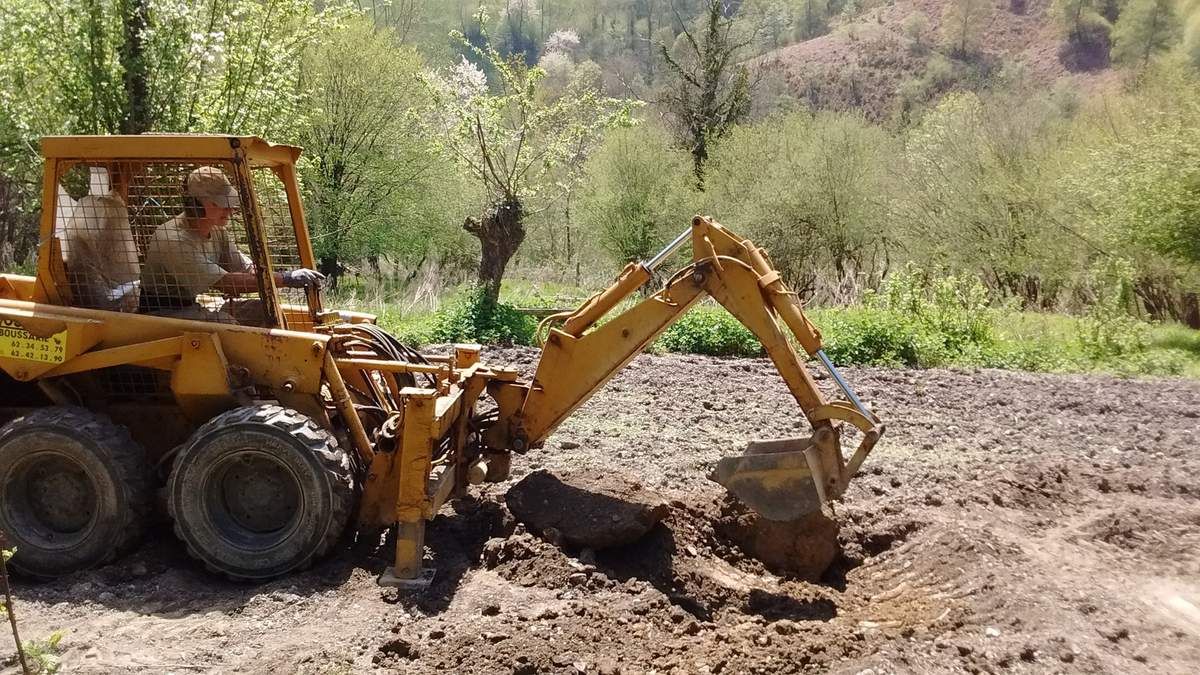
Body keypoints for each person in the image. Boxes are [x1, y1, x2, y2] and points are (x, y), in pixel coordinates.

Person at [140, 166, 323, 323]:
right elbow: (226, 284)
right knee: (226, 323)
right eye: (221, 203)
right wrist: (286, 278)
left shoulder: (218, 230)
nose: (230, 209)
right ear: (195, 204)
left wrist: (268, 275)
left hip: (191, 306)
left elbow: (245, 269)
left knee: (266, 310)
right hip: (161, 314)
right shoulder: (172, 240)